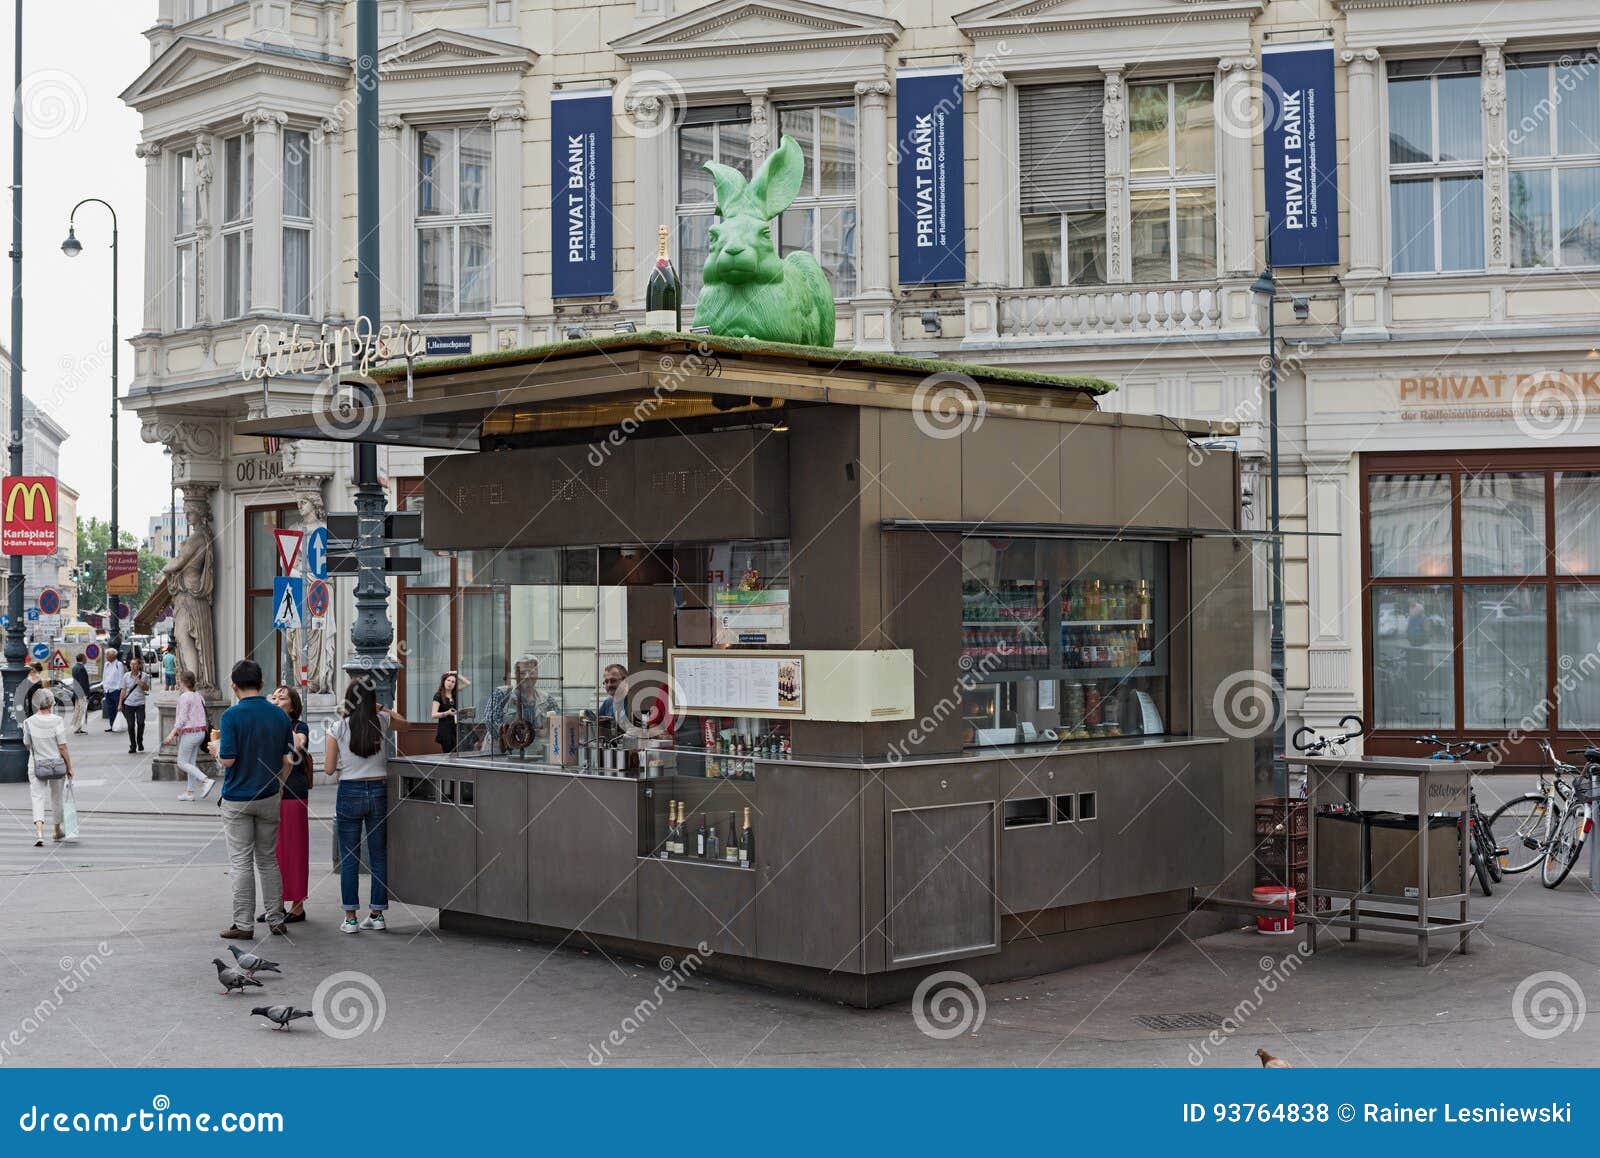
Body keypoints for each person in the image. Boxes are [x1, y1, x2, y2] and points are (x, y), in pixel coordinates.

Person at [209, 659, 294, 939]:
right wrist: (279, 786)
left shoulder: (231, 717)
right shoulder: (279, 715)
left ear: (234, 686)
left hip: (237, 798)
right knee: (268, 860)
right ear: (261, 684)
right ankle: (276, 918)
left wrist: (215, 750)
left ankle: (243, 924)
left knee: (241, 862)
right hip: (269, 795)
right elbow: (288, 759)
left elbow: (230, 760)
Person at [324, 677, 407, 934]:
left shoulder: (337, 727)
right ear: (373, 700)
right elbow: (406, 724)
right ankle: (377, 914)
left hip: (350, 790)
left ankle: (350, 918)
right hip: (380, 790)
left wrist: (344, 763)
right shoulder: (381, 721)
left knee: (350, 856)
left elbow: (327, 770)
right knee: (379, 853)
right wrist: (383, 709)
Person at [266, 685, 312, 924]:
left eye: (282, 698)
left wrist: (279, 721)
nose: (275, 701)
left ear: (292, 706)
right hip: (270, 793)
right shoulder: (268, 724)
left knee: (294, 849)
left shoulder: (299, 726)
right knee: (272, 853)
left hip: (293, 793)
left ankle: (297, 905)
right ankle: (275, 905)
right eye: (273, 697)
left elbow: (298, 742)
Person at [23, 689, 72, 847]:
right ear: (51, 703)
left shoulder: (28, 722)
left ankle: (39, 832)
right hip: (56, 764)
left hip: (36, 765)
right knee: (56, 797)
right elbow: (63, 746)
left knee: (37, 797)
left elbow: (27, 744)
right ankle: (57, 830)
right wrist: (69, 767)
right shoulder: (57, 720)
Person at [480, 658, 559, 753]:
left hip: (533, 755)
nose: (527, 676)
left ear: (537, 674)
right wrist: (516, 735)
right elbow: (490, 720)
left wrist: (548, 731)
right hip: (500, 755)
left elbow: (559, 725)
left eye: (531, 672)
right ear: (515, 675)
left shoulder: (547, 699)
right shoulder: (501, 694)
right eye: (522, 673)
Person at [167, 670, 214, 801]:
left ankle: (205, 780)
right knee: (190, 762)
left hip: (190, 733)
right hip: (201, 733)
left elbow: (182, 719)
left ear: (182, 682)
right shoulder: (198, 696)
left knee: (181, 762)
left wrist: (171, 734)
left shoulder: (184, 697)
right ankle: (190, 792)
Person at [430, 670, 468, 753]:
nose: (450, 683)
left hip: (455, 727)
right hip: (445, 729)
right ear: (444, 681)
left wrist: (456, 673)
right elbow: (433, 715)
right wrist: (447, 713)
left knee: (457, 752)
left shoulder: (454, 694)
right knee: (448, 753)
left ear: (455, 685)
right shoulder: (438, 696)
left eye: (453, 682)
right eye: (448, 680)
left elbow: (467, 683)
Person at [121, 657, 151, 754]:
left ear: (139, 665)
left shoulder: (144, 675)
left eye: (135, 664)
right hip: (128, 703)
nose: (133, 666)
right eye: (131, 664)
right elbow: (123, 690)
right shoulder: (126, 676)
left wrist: (141, 683)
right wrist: (119, 703)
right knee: (130, 725)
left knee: (141, 723)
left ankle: (140, 741)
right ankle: (133, 746)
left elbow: (147, 688)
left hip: (140, 703)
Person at [101, 648, 125, 732]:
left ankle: (119, 725)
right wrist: (104, 687)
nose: (106, 657)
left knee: (117, 708)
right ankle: (112, 726)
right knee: (110, 710)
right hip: (108, 690)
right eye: (106, 655)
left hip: (116, 690)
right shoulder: (106, 664)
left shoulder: (118, 664)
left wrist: (119, 688)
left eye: (108, 655)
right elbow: (104, 676)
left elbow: (121, 677)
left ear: (113, 656)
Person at [70, 653, 90, 733]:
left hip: (76, 692)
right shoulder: (81, 668)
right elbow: (83, 682)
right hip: (81, 693)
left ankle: (76, 727)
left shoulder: (74, 667)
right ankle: (78, 728)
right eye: (85, 658)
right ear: (82, 659)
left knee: (77, 710)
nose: (86, 659)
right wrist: (85, 693)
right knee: (81, 711)